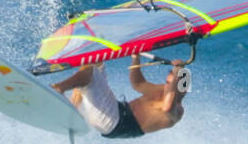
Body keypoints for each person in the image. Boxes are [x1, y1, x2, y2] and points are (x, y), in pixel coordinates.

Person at [52, 55, 188, 138]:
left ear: (182, 89)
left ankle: (58, 88)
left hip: (114, 123)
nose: (168, 80)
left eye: (172, 79)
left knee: (91, 74)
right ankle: (73, 108)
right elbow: (138, 84)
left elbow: (167, 108)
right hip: (115, 111)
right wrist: (136, 58)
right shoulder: (161, 90)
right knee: (95, 62)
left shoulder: (178, 110)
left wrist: (179, 74)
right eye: (170, 75)